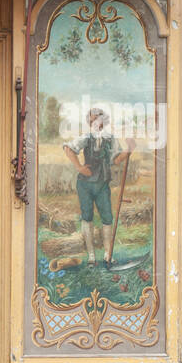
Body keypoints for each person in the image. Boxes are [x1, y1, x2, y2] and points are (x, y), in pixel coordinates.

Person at [62, 107, 135, 266]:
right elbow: (68, 149)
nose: (95, 122)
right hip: (85, 185)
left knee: (107, 218)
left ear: (103, 121)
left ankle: (108, 255)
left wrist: (129, 150)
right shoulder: (85, 137)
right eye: (92, 119)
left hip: (102, 184)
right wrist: (80, 167)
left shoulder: (110, 139)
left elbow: (116, 160)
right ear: (89, 122)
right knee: (87, 217)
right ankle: (91, 257)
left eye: (98, 119)